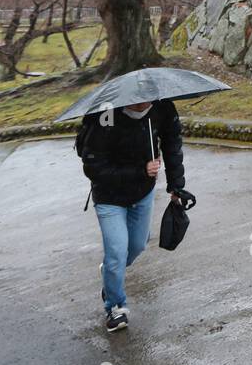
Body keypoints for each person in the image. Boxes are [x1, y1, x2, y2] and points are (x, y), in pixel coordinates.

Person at [75, 98, 186, 333]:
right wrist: (140, 170)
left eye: (148, 101)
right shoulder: (105, 116)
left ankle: (110, 276)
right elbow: (92, 166)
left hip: (142, 193)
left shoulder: (161, 107)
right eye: (137, 103)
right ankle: (115, 307)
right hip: (109, 197)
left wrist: (176, 187)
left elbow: (172, 144)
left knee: (136, 245)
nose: (143, 106)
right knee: (116, 251)